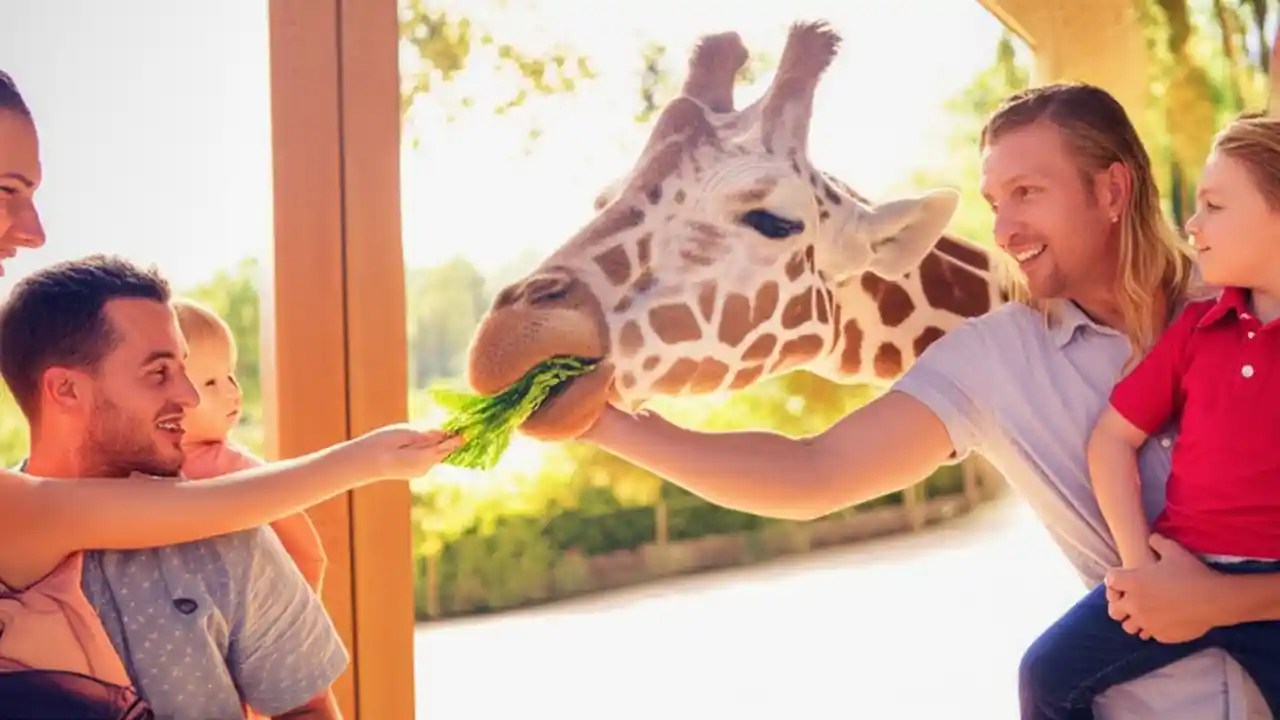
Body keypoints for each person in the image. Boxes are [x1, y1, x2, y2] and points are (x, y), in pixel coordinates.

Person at [577, 82, 1280, 718]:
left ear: (1112, 191)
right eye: (995, 204)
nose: (1004, 231)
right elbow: (813, 471)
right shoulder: (992, 361)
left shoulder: (1250, 303)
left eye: (1028, 193)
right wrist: (604, 424)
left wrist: (1227, 601)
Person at [0, 69, 461, 716]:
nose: (190, 396)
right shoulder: (15, 521)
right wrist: (367, 461)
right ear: (65, 391)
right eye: (159, 371)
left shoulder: (231, 539)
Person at [1017, 115, 1280, 718]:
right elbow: (1110, 439)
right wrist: (1141, 568)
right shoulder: (1197, 328)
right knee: (1045, 675)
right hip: (1180, 560)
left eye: (1214, 205)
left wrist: (1220, 600)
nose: (1192, 225)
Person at [175, 297, 328, 593]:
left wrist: (304, 601)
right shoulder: (136, 466)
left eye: (230, 376)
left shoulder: (231, 465)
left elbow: (306, 551)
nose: (233, 391)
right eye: (211, 383)